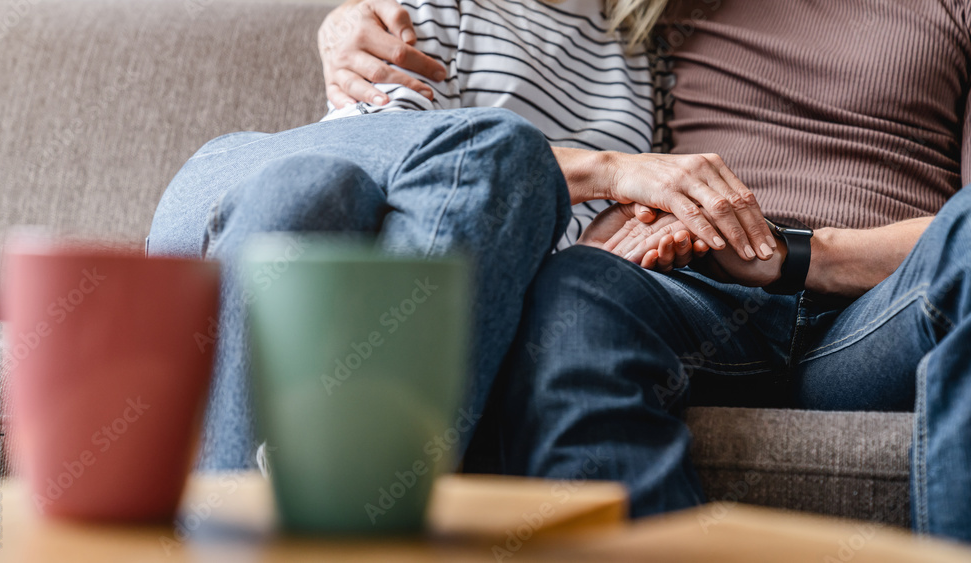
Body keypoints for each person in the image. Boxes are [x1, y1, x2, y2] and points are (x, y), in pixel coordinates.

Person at [322, 0, 971, 543]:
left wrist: (803, 255)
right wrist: (344, 26)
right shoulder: (664, 10)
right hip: (701, 298)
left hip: (882, 307)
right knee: (576, 290)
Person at [147, 0, 771, 471]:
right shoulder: (433, 10)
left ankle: (292, 486)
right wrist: (606, 170)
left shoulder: (641, 58)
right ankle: (344, 470)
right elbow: (382, 172)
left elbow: (558, 235)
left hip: (472, 289)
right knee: (328, 185)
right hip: (314, 230)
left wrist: (623, 239)